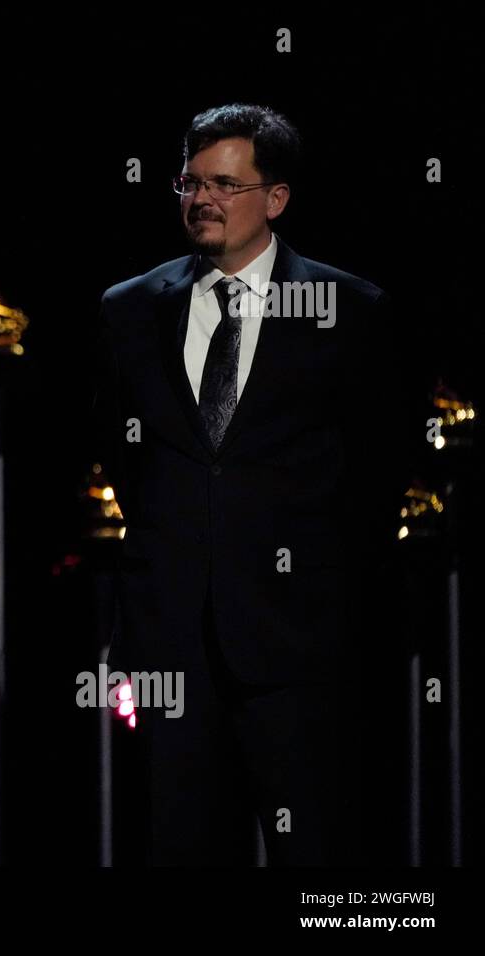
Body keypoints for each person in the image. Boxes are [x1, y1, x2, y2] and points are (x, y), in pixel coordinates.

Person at [91, 104, 409, 865]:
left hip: (302, 643)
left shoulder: (350, 310)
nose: (201, 199)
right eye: (190, 183)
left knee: (321, 850)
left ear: (276, 198)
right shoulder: (130, 308)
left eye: (225, 184)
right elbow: (124, 457)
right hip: (172, 636)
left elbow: (378, 472)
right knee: (181, 845)